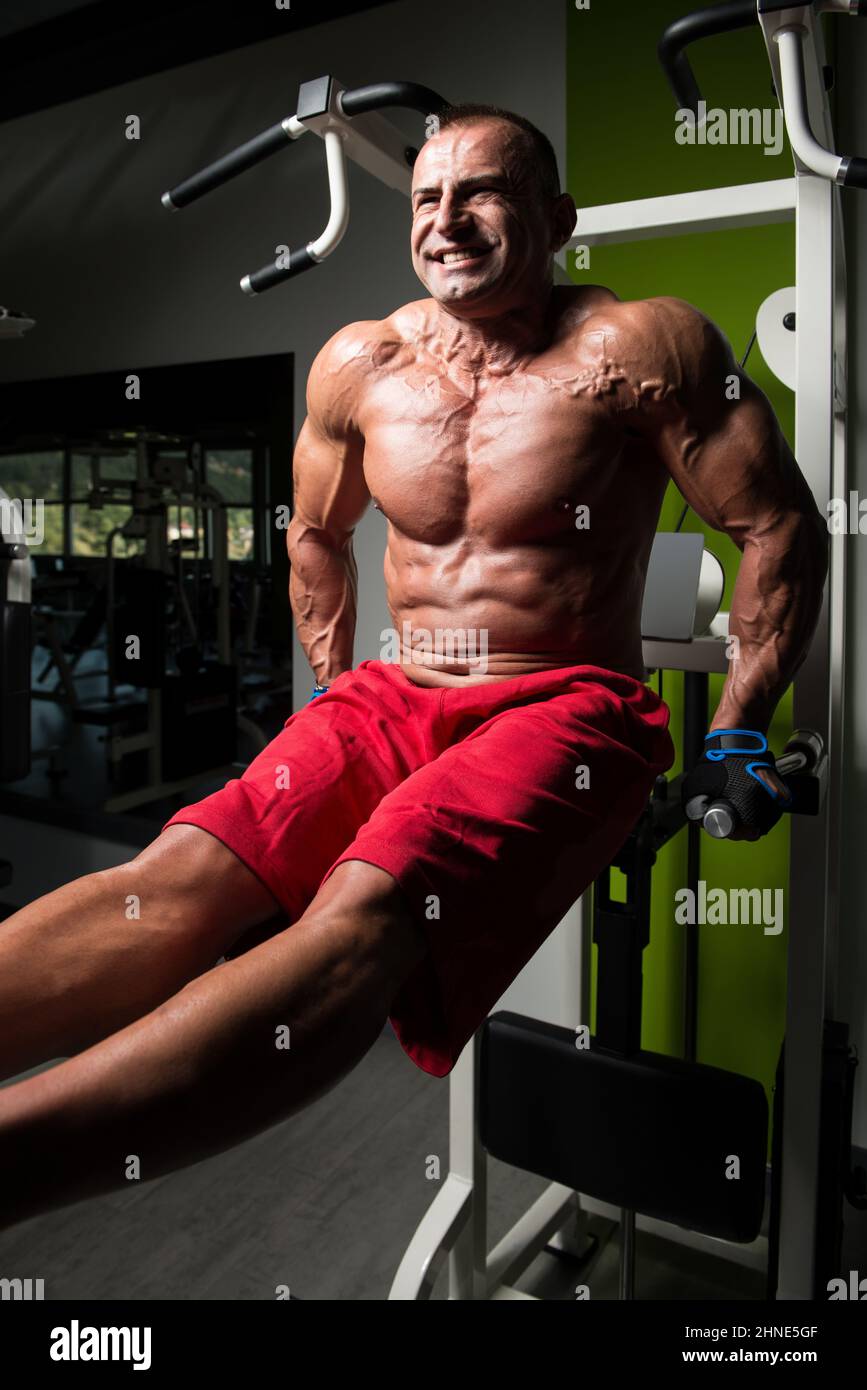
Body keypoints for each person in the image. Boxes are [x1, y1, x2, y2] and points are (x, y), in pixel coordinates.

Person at [0, 104, 828, 1228]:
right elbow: (315, 532)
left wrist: (734, 729)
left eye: (481, 193)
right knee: (189, 867)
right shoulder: (361, 362)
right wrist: (337, 680)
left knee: (362, 907)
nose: (446, 220)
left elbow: (779, 524)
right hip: (394, 689)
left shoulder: (644, 346)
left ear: (556, 218)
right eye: (427, 199)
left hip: (569, 703)